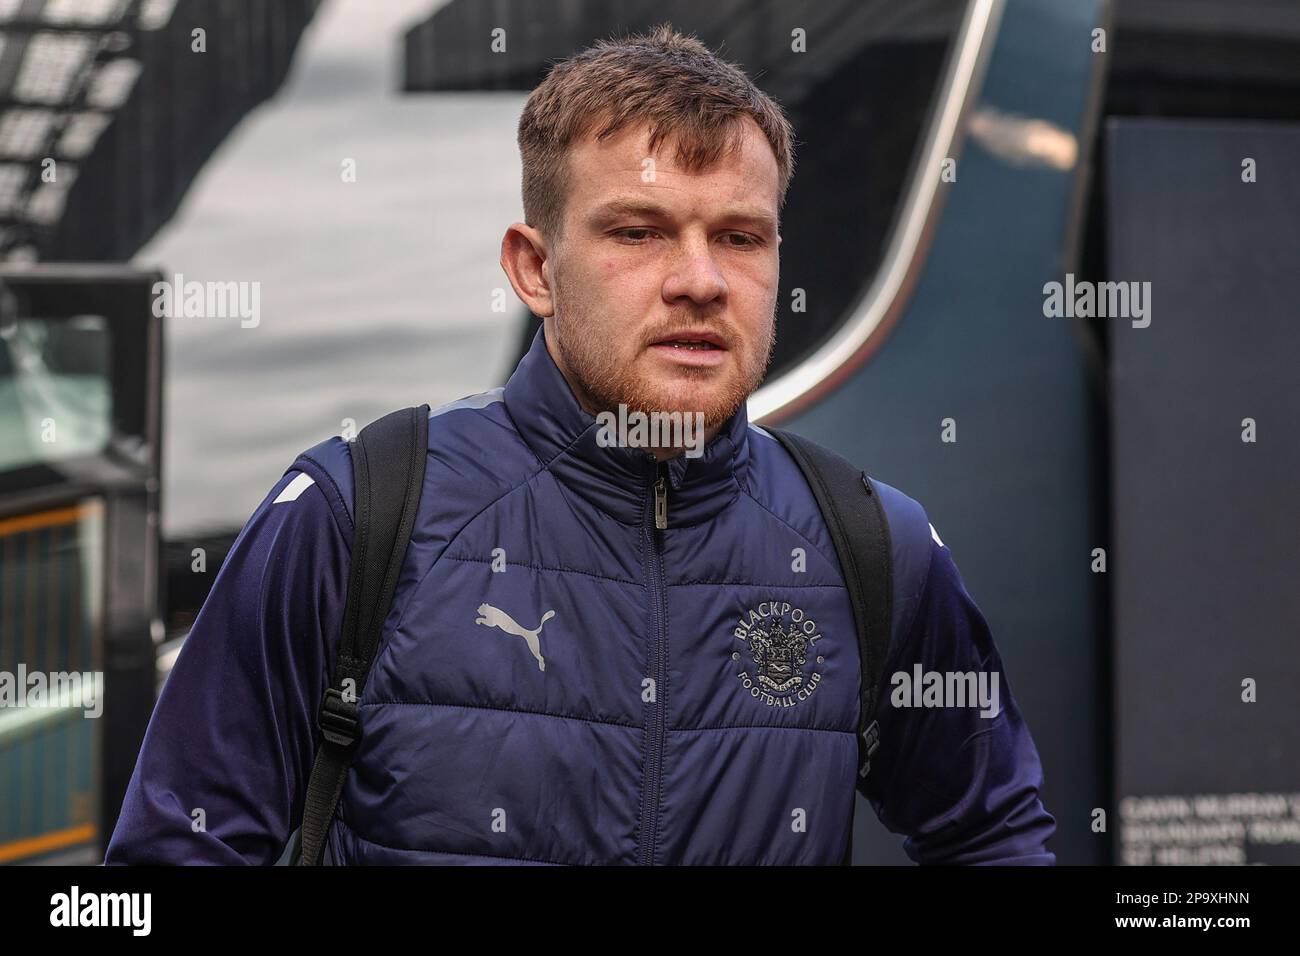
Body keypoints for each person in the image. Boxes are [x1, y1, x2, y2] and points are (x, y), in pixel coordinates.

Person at [106, 24, 1055, 866]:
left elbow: (993, 836)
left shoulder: (872, 548)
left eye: (740, 237)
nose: (700, 281)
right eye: (638, 232)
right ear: (534, 268)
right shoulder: (355, 516)